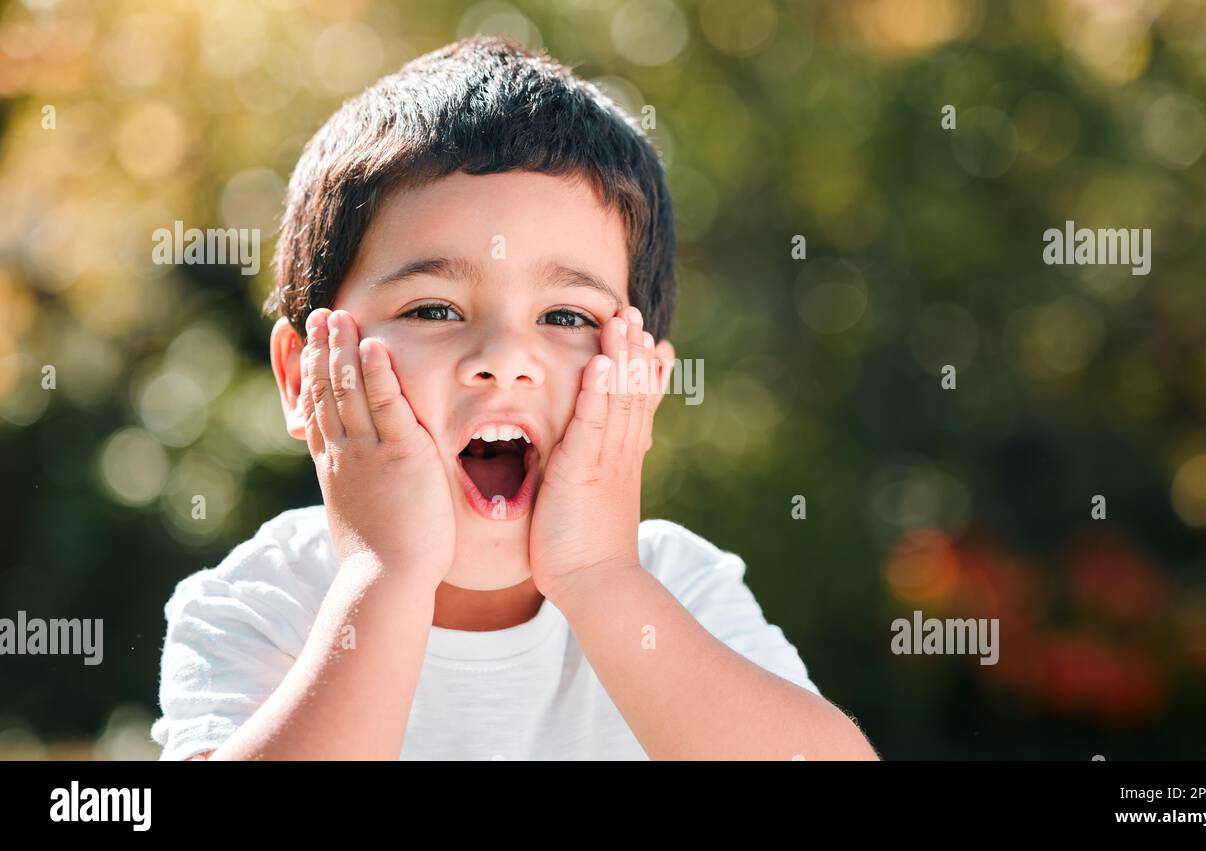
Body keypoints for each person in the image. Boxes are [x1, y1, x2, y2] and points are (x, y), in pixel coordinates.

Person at [150, 35, 878, 761]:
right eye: (434, 309)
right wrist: (388, 574)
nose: (503, 361)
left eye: (567, 317)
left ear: (641, 387)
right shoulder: (264, 602)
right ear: (306, 376)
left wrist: (599, 579)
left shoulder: (678, 591)